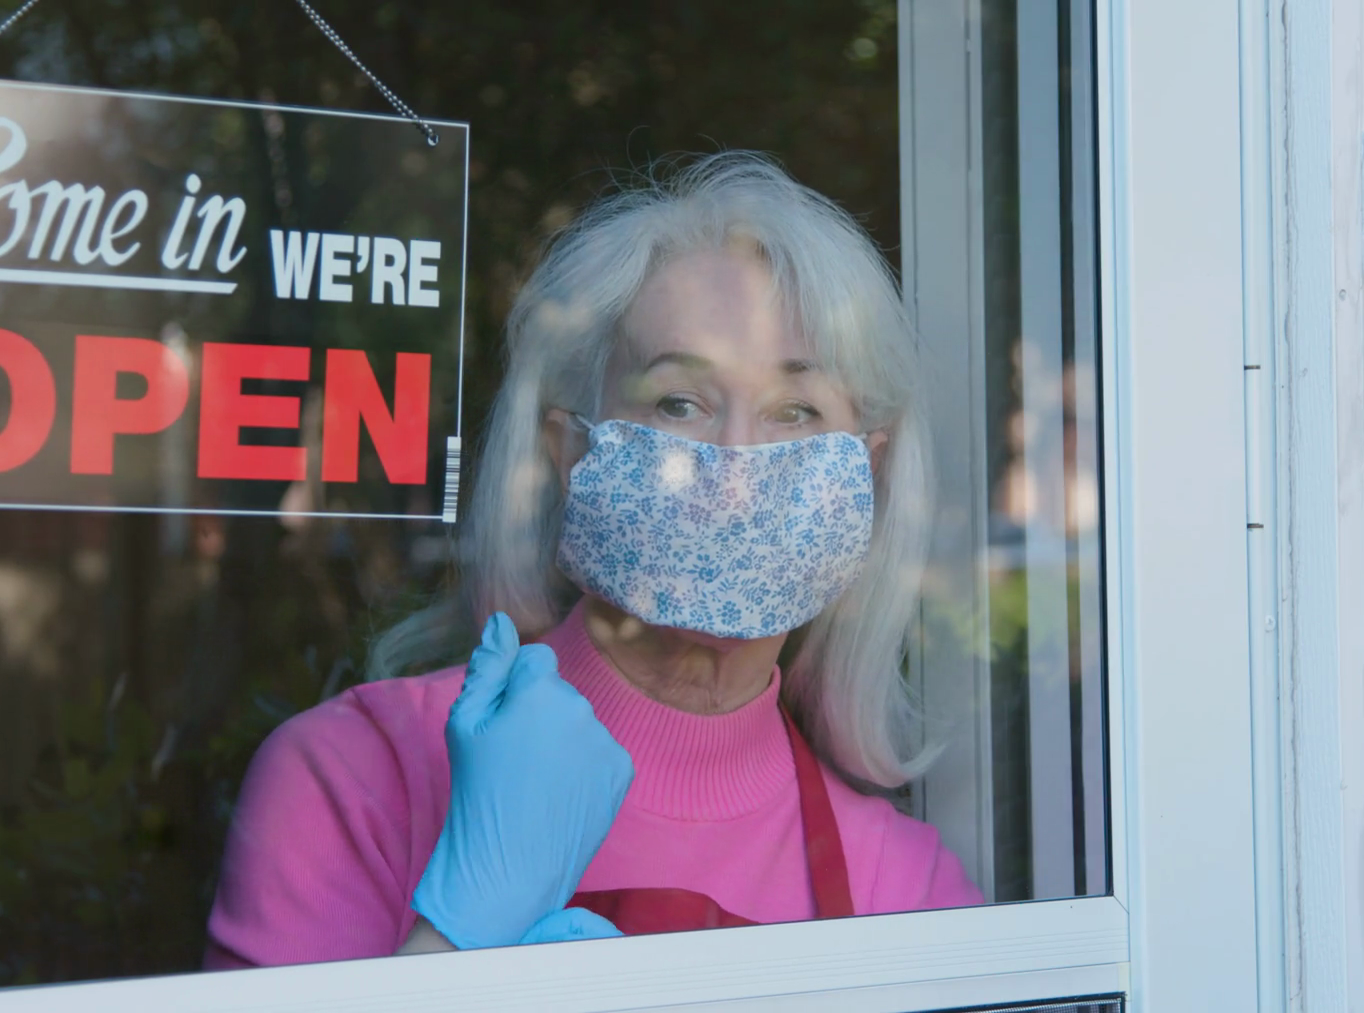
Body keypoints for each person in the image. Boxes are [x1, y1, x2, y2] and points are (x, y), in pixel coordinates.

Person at [205, 152, 980, 967]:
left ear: (865, 473)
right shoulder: (356, 780)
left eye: (795, 411)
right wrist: (459, 932)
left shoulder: (907, 889)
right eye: (679, 401)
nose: (736, 464)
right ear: (570, 448)